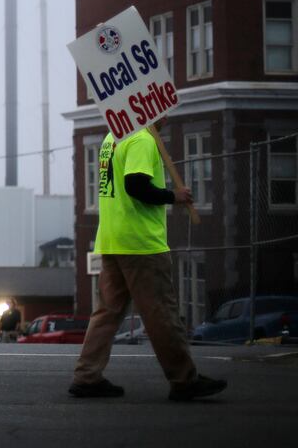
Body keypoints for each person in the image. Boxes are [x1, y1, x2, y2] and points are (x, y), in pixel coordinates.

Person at [70, 127, 227, 401]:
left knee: (106, 313)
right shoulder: (141, 138)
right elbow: (136, 185)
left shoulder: (112, 137)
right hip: (141, 243)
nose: (165, 115)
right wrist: (172, 196)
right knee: (161, 313)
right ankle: (184, 379)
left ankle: (87, 375)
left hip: (111, 240)